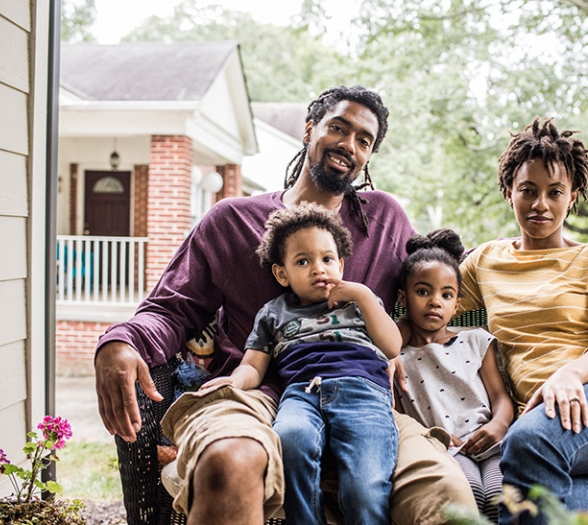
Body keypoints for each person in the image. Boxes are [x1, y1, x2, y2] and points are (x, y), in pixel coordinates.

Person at [94, 84, 477, 525]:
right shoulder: (232, 221)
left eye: (364, 140)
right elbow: (171, 308)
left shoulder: (384, 219)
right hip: (255, 394)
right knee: (228, 461)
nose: (348, 145)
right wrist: (120, 343)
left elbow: (435, 282)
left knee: (446, 495)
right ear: (310, 129)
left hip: (363, 397)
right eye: (338, 127)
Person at [455, 118, 588, 524]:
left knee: (529, 441)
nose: (541, 204)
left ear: (572, 197)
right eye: (528, 191)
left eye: (555, 192)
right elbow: (430, 305)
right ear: (509, 193)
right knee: (565, 509)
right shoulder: (485, 261)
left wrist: (570, 375)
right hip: (559, 425)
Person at [202, 203, 400, 524]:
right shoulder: (273, 313)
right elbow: (253, 365)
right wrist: (235, 381)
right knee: (290, 439)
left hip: (364, 394)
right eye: (303, 261)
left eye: (327, 259)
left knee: (365, 486)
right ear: (282, 274)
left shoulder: (360, 302)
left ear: (341, 264)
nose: (318, 269)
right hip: (302, 395)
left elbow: (392, 347)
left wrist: (363, 295)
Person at [395, 228, 515, 522]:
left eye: (446, 295)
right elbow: (397, 414)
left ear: (456, 305)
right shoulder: (397, 358)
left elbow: (501, 397)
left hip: (489, 441)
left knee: (501, 497)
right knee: (467, 495)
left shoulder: (475, 340)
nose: (435, 301)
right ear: (403, 298)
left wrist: (498, 425)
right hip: (443, 450)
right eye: (423, 291)